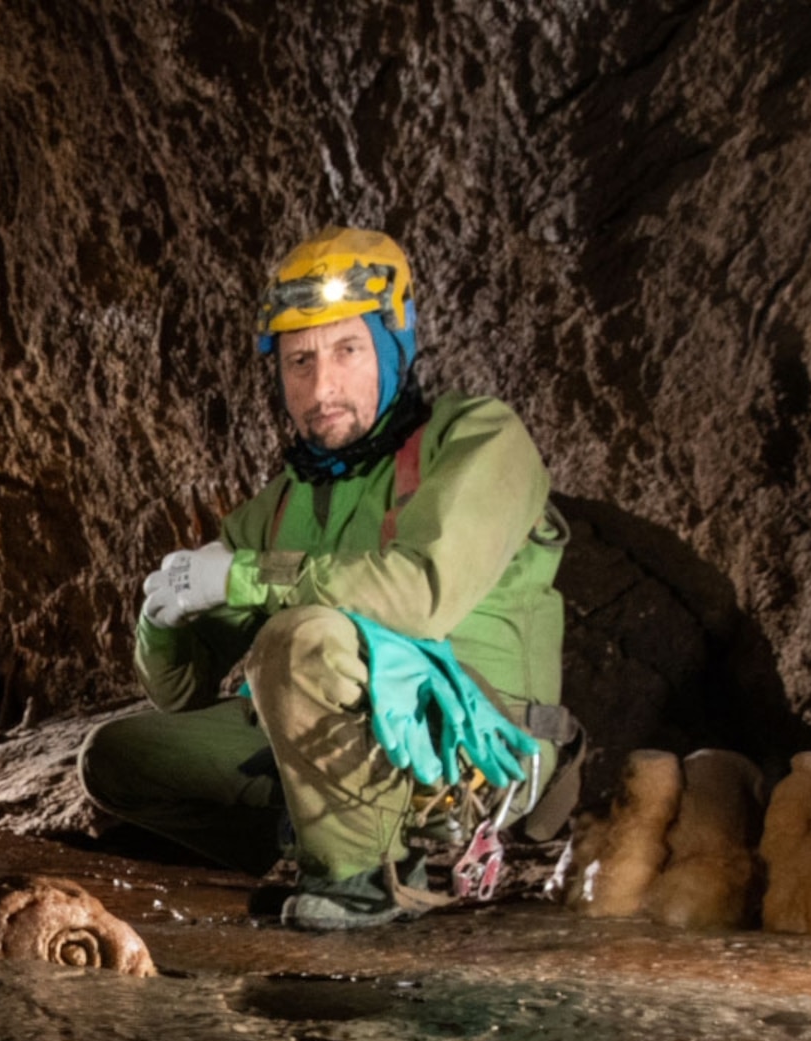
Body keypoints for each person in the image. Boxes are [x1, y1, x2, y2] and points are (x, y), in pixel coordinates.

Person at [79, 228, 574, 926]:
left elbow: (421, 594)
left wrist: (247, 577)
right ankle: (317, 850)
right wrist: (162, 619)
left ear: (394, 346)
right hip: (347, 752)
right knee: (117, 759)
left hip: (474, 749)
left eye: (348, 350)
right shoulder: (279, 505)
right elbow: (181, 694)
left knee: (300, 636)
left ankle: (363, 884)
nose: (322, 386)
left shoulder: (479, 439)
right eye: (299, 361)